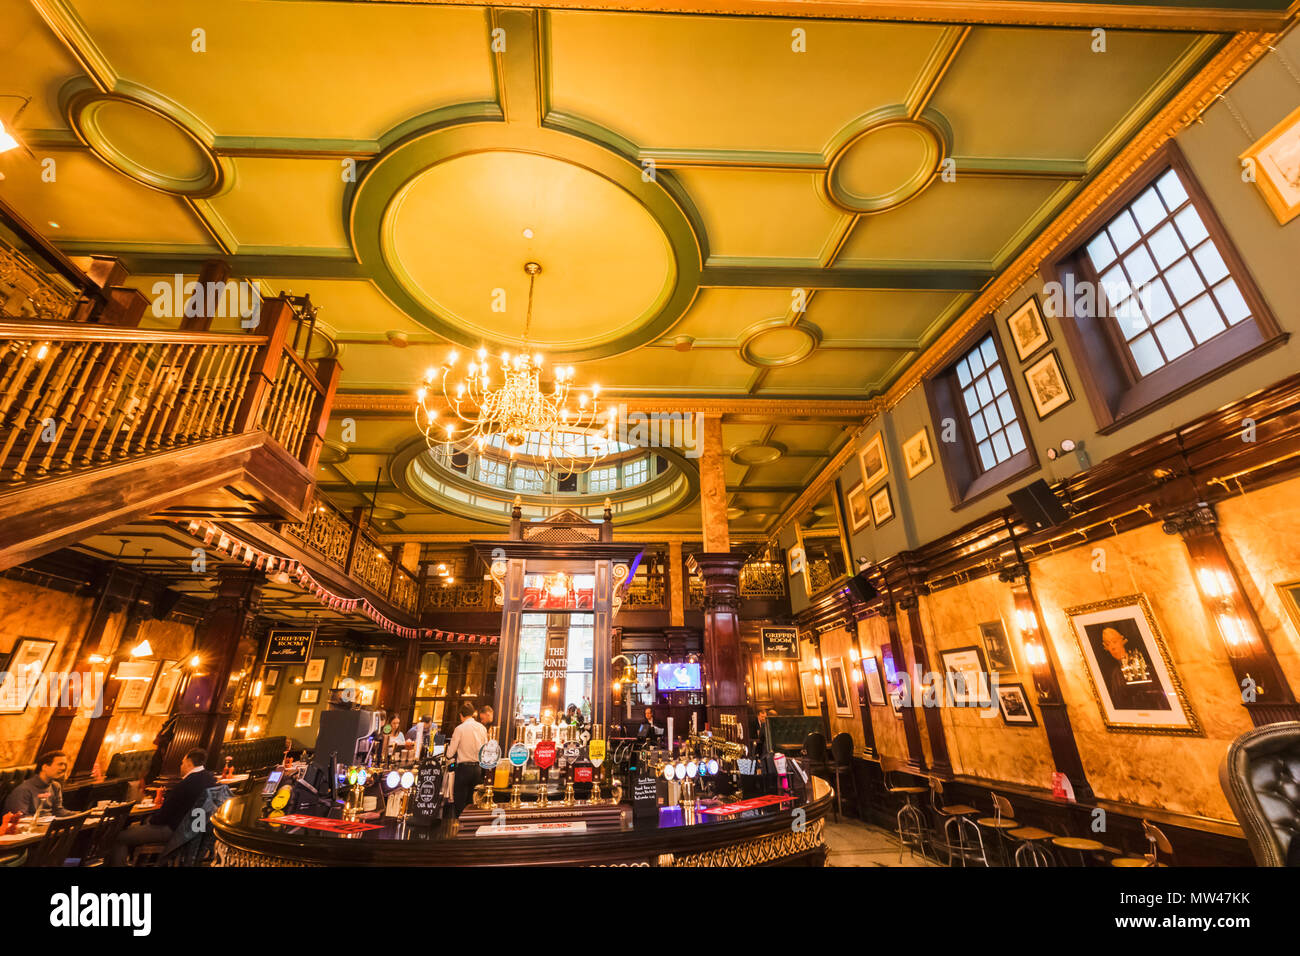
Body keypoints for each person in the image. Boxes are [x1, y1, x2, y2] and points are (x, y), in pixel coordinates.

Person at [110, 748, 217, 866]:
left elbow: (162, 817)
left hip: (177, 831)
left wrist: (150, 820)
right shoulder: (211, 779)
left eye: (182, 763)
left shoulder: (185, 784)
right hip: (198, 829)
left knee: (121, 836)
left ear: (189, 763)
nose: (180, 766)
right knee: (137, 829)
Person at [446, 702, 488, 816]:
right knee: (474, 801)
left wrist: (447, 753)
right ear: (473, 714)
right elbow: (486, 749)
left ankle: (460, 825)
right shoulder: (482, 728)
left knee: (460, 801)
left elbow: (450, 753)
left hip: (464, 770)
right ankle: (472, 825)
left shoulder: (459, 729)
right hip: (478, 769)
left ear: (461, 715)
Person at [3, 751, 73, 817]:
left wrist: (79, 815)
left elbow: (58, 811)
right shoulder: (23, 790)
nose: (64, 768)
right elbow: (19, 818)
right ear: (44, 767)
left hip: (50, 826)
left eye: (65, 764)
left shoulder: (56, 786)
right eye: (60, 764)